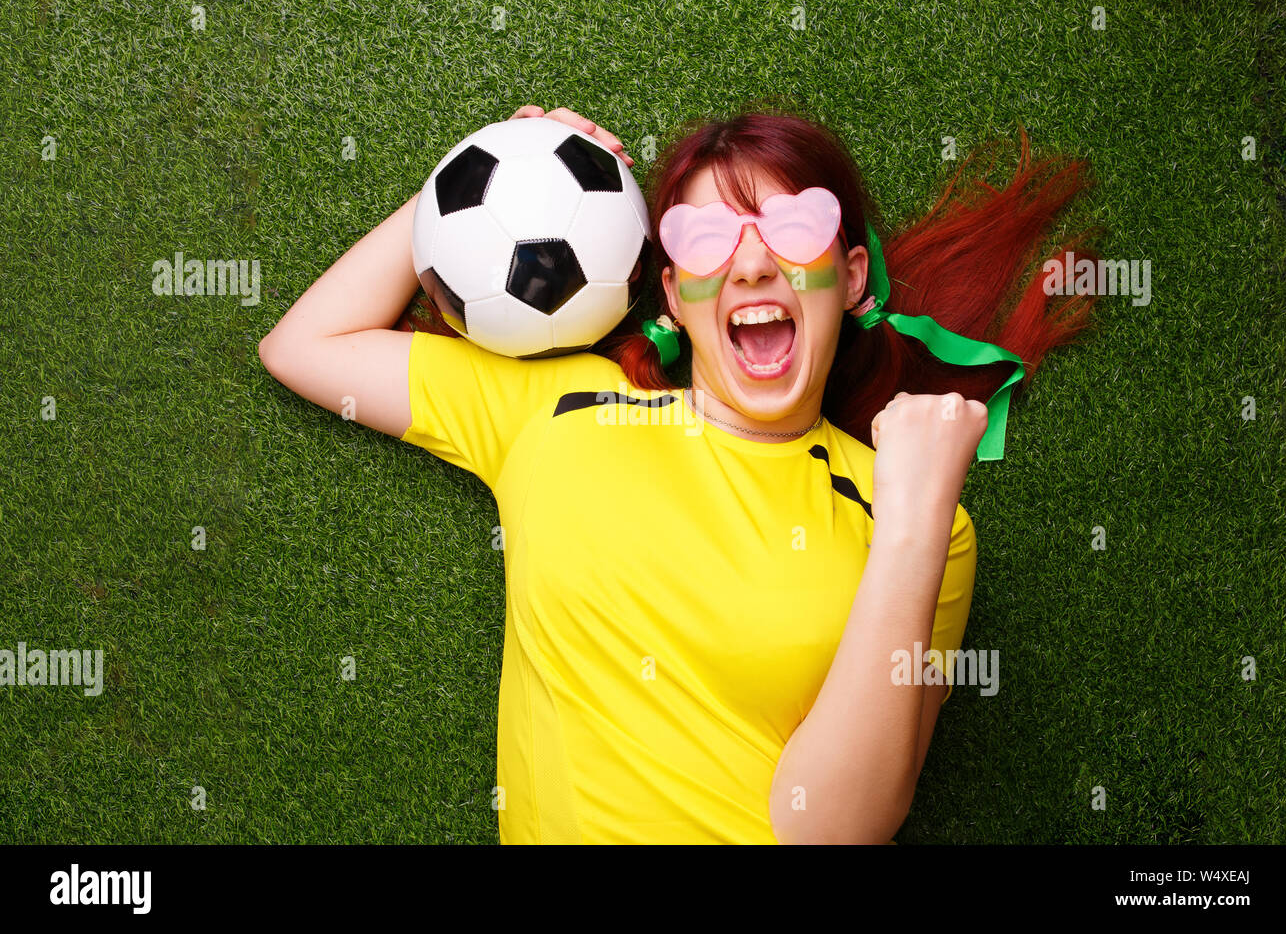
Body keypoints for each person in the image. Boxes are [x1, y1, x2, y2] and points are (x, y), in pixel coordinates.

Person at [259, 103, 1099, 844]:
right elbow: (302, 347)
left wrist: (913, 522)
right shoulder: (556, 411)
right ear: (672, 294)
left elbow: (840, 831)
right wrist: (482, 176)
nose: (752, 265)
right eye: (707, 241)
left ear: (847, 280)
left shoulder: (921, 520)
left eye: (791, 230)